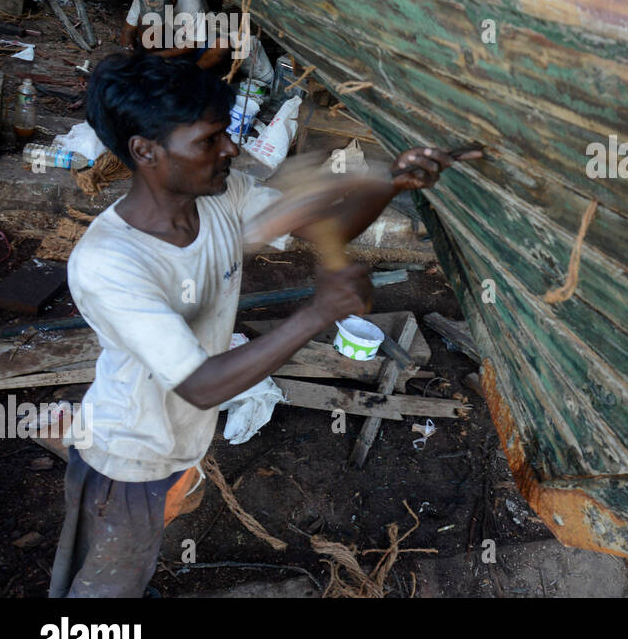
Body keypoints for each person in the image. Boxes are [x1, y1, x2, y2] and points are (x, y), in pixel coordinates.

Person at [50, 54, 480, 597]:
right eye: (209, 140)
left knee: (132, 557)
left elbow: (327, 226)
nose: (231, 148)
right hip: (130, 456)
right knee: (104, 587)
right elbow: (202, 385)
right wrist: (319, 313)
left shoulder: (219, 197)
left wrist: (392, 182)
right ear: (145, 151)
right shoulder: (110, 263)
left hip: (177, 440)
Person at [120, 0, 233, 73]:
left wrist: (158, 55)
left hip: (195, 43)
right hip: (168, 39)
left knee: (222, 45)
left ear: (173, 2)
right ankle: (152, 63)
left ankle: (191, 73)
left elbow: (193, 43)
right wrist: (127, 49)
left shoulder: (192, 4)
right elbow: (128, 29)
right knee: (143, 20)